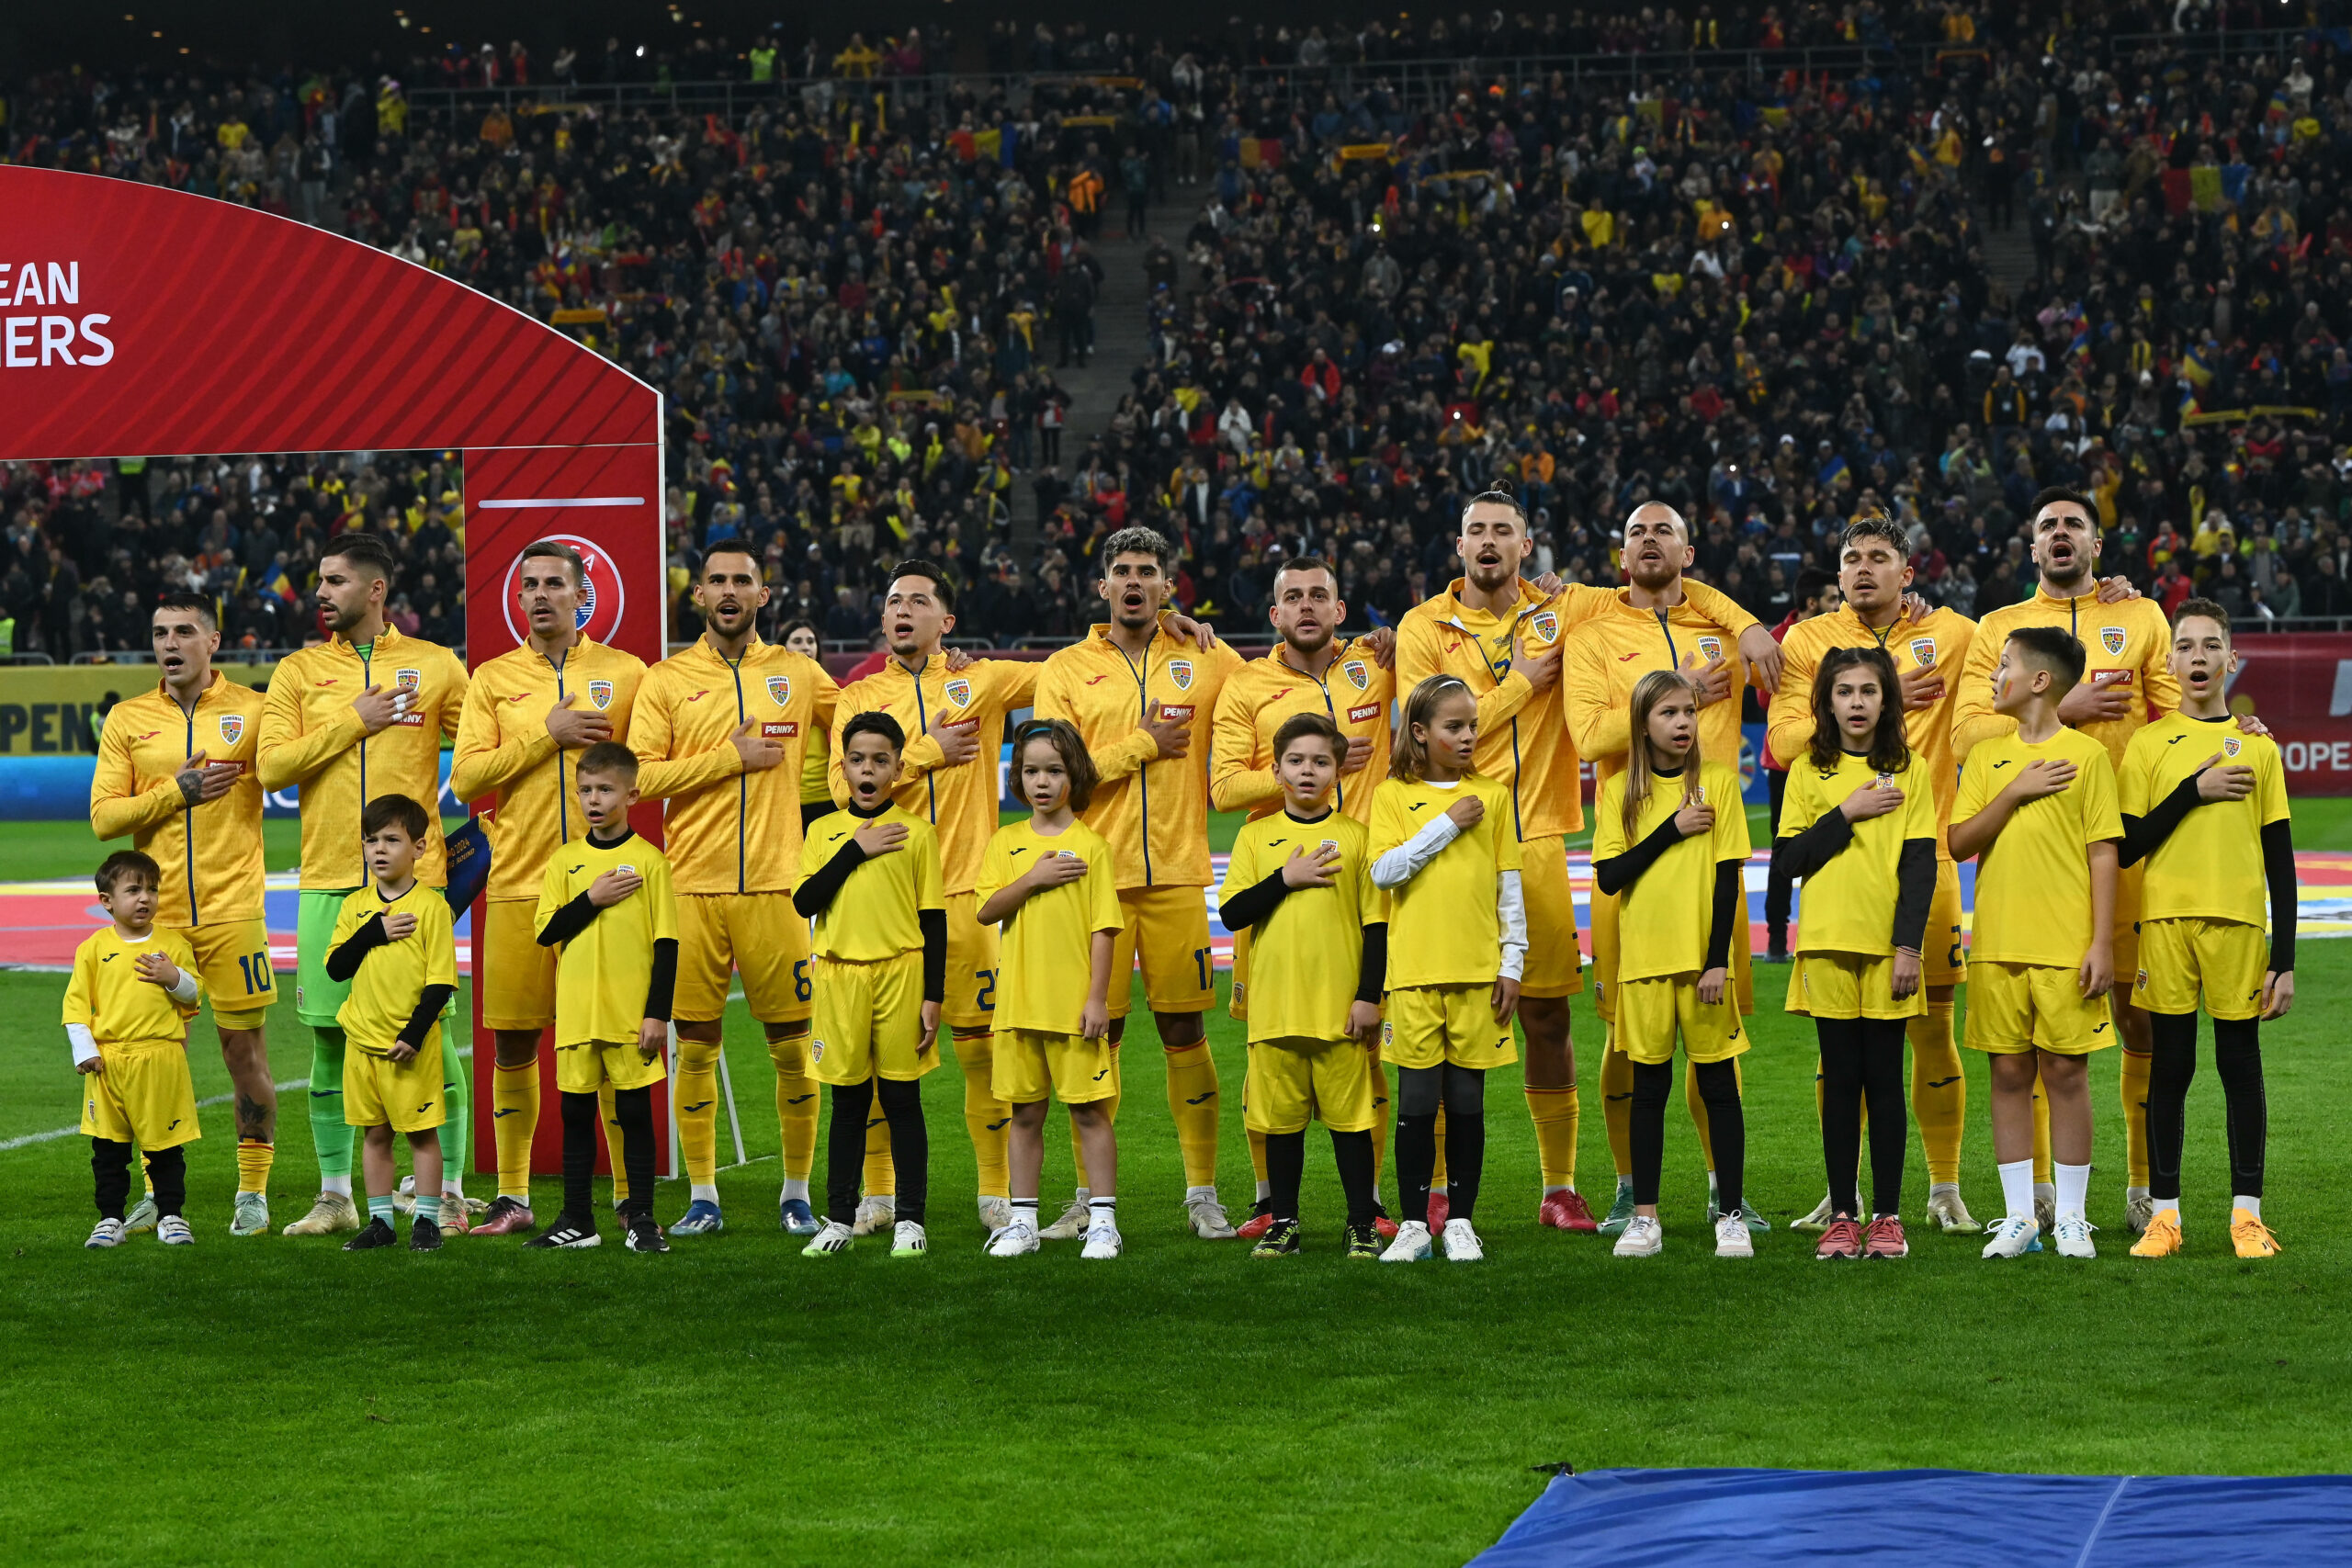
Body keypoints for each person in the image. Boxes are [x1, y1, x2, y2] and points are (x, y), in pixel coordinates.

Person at [1951, 486, 2176, 1234]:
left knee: (2136, 1019)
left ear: (2097, 544)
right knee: (2028, 1035)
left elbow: (2175, 714)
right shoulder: (2001, 628)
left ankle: (2142, 1186)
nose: (2059, 534)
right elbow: (1964, 734)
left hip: (2125, 847)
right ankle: (2038, 1195)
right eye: (2047, 524)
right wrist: (2067, 710)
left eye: (2073, 524)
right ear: (2031, 544)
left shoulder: (2139, 615)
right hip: (2028, 850)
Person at [1562, 501, 1782, 1236]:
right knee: (1627, 1040)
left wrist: (1742, 622)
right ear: (1619, 554)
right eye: (1635, 532)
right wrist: (1671, 684)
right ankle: (1632, 1186)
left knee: (1715, 1040)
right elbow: (1591, 735)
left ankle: (1727, 1187)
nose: (1648, 541)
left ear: (1690, 553)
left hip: (1712, 850)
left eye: (1664, 532)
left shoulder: (1724, 627)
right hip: (1639, 858)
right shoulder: (1592, 637)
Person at [1766, 517, 1979, 1235]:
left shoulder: (1953, 632)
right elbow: (1779, 739)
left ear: (1906, 571)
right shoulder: (1806, 641)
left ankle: (1943, 1185)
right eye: (1851, 558)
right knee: (1845, 1051)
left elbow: (2019, 667)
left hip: (1926, 863)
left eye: (1878, 558)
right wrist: (1873, 700)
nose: (1862, 569)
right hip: (1838, 883)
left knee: (1929, 1033)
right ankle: (1845, 1191)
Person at [1035, 525, 1244, 1240]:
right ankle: (1088, 1199)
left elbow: (1272, 690)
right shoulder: (1065, 668)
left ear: (1167, 585)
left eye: (1147, 571)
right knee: (1098, 1033)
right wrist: (1144, 745)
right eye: (1121, 570)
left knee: (1185, 1029)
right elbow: (1057, 769)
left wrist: (1366, 650)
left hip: (1180, 874)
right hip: (1090, 878)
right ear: (1102, 585)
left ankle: (1203, 1191)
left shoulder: (1205, 658)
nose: (1133, 581)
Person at [261, 533, 469, 1238]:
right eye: (320, 579)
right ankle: (334, 1195)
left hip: (416, 890)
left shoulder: (436, 666)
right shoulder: (297, 670)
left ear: (376, 590)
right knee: (329, 1039)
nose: (321, 592)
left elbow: (477, 751)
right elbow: (272, 767)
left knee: (429, 1037)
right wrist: (354, 721)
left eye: (336, 581)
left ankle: (448, 1193)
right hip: (326, 880)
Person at [628, 546, 838, 1237]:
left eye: (740, 580)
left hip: (780, 887)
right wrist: (729, 759)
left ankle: (797, 1192)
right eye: (715, 580)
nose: (727, 590)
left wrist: (943, 659)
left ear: (763, 595)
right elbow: (638, 779)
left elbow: (869, 714)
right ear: (698, 597)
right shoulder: (667, 680)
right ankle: (703, 1195)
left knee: (793, 1044)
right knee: (695, 1046)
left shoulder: (799, 674)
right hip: (692, 887)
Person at [828, 563, 1035, 1236]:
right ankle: (880, 1195)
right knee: (883, 1056)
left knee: (982, 1050)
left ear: (947, 620)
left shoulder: (985, 679)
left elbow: (1073, 669)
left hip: (971, 897)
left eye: (920, 600)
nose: (904, 610)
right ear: (882, 619)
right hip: (888, 898)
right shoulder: (859, 699)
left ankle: (995, 1193)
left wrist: (1171, 624)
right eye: (893, 601)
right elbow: (840, 791)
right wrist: (925, 752)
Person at [450, 538, 646, 1238]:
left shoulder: (627, 674)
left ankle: (628, 1196)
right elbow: (468, 780)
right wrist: (546, 732)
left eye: (552, 584)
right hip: (516, 886)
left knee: (615, 1041)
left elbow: (647, 766)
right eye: (527, 585)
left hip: (607, 888)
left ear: (579, 592)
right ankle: (512, 1195)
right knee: (512, 1042)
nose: (538, 596)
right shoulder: (493, 679)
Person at [1208, 555, 1398, 1239]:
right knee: (1272, 1069)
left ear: (1341, 609)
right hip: (1278, 893)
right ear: (1275, 614)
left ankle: (1368, 1204)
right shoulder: (1246, 685)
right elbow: (1225, 788)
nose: (1308, 605)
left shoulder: (1378, 663)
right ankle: (1271, 1202)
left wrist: (1401, 637)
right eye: (1294, 597)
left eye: (1321, 594)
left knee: (1364, 1052)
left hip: (1367, 881)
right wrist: (1295, 775)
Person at [89, 592, 277, 1237]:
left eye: (184, 631)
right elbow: (104, 817)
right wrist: (176, 791)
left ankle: (252, 1191)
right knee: (152, 1056)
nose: (169, 643)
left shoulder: (254, 710)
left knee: (243, 1052)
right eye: (160, 632)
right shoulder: (128, 717)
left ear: (214, 640)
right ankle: (153, 1191)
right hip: (155, 917)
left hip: (233, 912)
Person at [2120, 601, 2293, 1260]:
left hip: (2240, 925)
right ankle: (2165, 1218)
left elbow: (2281, 859)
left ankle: (2247, 1217)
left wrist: (2287, 957)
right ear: (2169, 662)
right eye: (2185, 647)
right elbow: (2131, 842)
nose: (2196, 657)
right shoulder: (2147, 743)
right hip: (2165, 923)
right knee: (2172, 1068)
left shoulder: (2259, 746)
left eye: (2209, 646)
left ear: (2231, 659)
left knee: (2240, 1068)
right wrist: (2194, 788)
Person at [1950, 628, 2121, 1261]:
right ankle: (2020, 1215)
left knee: (2068, 1074)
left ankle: (2073, 1217)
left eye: (2003, 665)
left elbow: (2104, 852)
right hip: (1996, 944)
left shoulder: (2088, 756)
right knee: (2010, 1073)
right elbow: (1960, 840)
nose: (1995, 675)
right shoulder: (1990, 758)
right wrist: (2016, 790)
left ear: (2040, 680)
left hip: (2066, 945)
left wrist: (2101, 942)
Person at [1771, 649, 1938, 1261]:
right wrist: (1846, 812)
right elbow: (1789, 861)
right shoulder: (1807, 771)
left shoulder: (1910, 768)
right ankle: (1843, 1213)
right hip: (1826, 945)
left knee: (1884, 1082)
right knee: (1840, 1081)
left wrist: (1908, 946)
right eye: (1846, 691)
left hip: (1887, 949)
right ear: (1828, 701)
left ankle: (1889, 1215)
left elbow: (1919, 864)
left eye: (1869, 690)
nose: (1858, 702)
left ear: (1887, 699)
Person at [1590, 671, 1755, 1261]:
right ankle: (1645, 1218)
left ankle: (1731, 1214)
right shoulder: (1617, 793)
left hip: (1703, 967)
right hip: (1644, 966)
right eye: (1669, 713)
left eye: (1689, 711)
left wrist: (1718, 962)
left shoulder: (1718, 782)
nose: (1684, 723)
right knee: (1649, 1092)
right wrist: (1672, 829)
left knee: (1718, 1089)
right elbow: (1609, 876)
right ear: (1643, 723)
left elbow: (1727, 879)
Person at [1216, 714, 1389, 1258]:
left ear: (1339, 772)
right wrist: (1284, 879)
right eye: (1296, 761)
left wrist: (1369, 997)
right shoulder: (1255, 835)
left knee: (1351, 1125)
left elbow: (1376, 927)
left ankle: (1361, 1220)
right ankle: (1284, 1221)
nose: (1307, 770)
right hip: (1275, 1010)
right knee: (1280, 1125)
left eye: (1320, 761)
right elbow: (1232, 912)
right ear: (1276, 769)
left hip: (1340, 1009)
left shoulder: (1358, 839)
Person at [1368, 676, 1524, 1264]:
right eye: (1453, 727)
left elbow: (1509, 888)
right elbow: (1384, 872)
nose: (1466, 736)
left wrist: (1512, 965)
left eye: (1471, 726)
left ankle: (1459, 1220)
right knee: (1415, 1101)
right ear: (1419, 733)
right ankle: (1413, 1222)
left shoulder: (1495, 795)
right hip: (1412, 973)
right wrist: (1447, 824)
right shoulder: (1392, 796)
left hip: (1478, 973)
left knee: (1466, 1100)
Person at [794, 713, 947, 1259]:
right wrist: (856, 849)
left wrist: (934, 995)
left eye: (880, 760)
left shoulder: (918, 833)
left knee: (903, 1100)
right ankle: (838, 1217)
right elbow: (805, 902)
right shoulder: (823, 832)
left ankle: (910, 1219)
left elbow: (933, 921)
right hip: (839, 978)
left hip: (901, 974)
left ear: (898, 768)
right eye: (858, 759)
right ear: (843, 767)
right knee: (848, 1102)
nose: (868, 768)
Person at [975, 720, 1125, 1260]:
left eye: (1054, 771)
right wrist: (1032, 879)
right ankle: (1022, 1221)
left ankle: (1104, 1219)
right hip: (1017, 1007)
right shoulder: (1006, 842)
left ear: (1075, 775)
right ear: (1017, 777)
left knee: (1090, 1112)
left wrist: (1096, 999)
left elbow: (1103, 929)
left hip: (1072, 1008)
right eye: (1031, 771)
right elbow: (986, 908)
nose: (1042, 781)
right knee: (1024, 1114)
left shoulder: (1092, 848)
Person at [527, 743, 679, 1253]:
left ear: (632, 794)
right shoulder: (565, 862)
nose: (594, 799)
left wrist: (657, 1013)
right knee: (574, 1115)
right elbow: (547, 931)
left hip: (630, 1014)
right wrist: (590, 899)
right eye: (585, 790)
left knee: (633, 1113)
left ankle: (640, 1219)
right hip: (576, 1013)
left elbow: (667, 945)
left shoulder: (649, 862)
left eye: (605, 789)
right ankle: (577, 1220)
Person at [324, 795, 460, 1252]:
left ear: (419, 848)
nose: (378, 849)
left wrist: (414, 1034)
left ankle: (427, 1220)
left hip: (408, 1045)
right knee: (375, 1133)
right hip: (361, 1041)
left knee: (422, 1133)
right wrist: (374, 932)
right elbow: (337, 968)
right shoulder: (355, 907)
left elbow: (440, 983)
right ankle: (380, 1222)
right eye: (370, 840)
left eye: (391, 840)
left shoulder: (433, 908)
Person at [67, 851, 205, 1249]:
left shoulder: (172, 945)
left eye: (152, 889)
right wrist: (85, 1050)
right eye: (133, 890)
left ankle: (172, 1216)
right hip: (108, 1064)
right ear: (107, 900)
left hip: (160, 1059)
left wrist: (173, 977)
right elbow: (75, 1007)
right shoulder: (93, 949)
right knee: (108, 1149)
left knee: (165, 1147)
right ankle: (110, 1219)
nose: (145, 898)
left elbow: (194, 997)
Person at [1759, 566, 1841, 964]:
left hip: (1832, 755)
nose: (1839, 606)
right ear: (1811, 603)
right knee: (1784, 851)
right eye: (1832, 599)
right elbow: (1763, 702)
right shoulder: (1776, 640)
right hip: (1785, 765)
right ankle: (1777, 938)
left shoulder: (1843, 633)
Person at [781, 618, 837, 830]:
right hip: (786, 802)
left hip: (828, 798)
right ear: (782, 648)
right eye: (797, 640)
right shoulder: (770, 691)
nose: (806, 646)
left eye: (811, 641)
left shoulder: (836, 687)